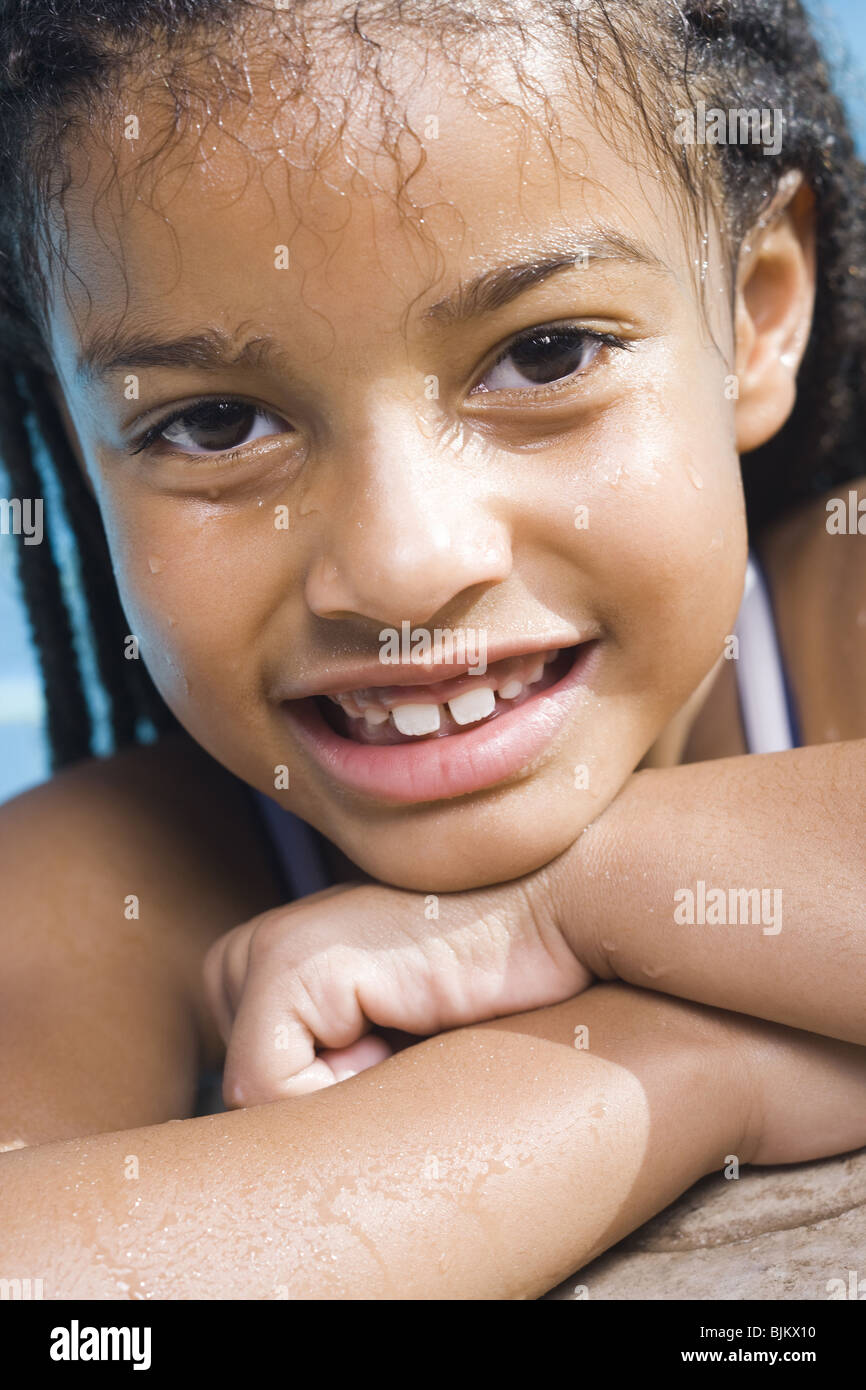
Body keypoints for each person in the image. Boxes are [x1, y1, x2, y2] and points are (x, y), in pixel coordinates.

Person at [0, 0, 864, 1299]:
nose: (402, 564)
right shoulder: (117, 880)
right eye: (217, 423)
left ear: (754, 311)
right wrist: (682, 1059)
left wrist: (553, 907)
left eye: (543, 353)